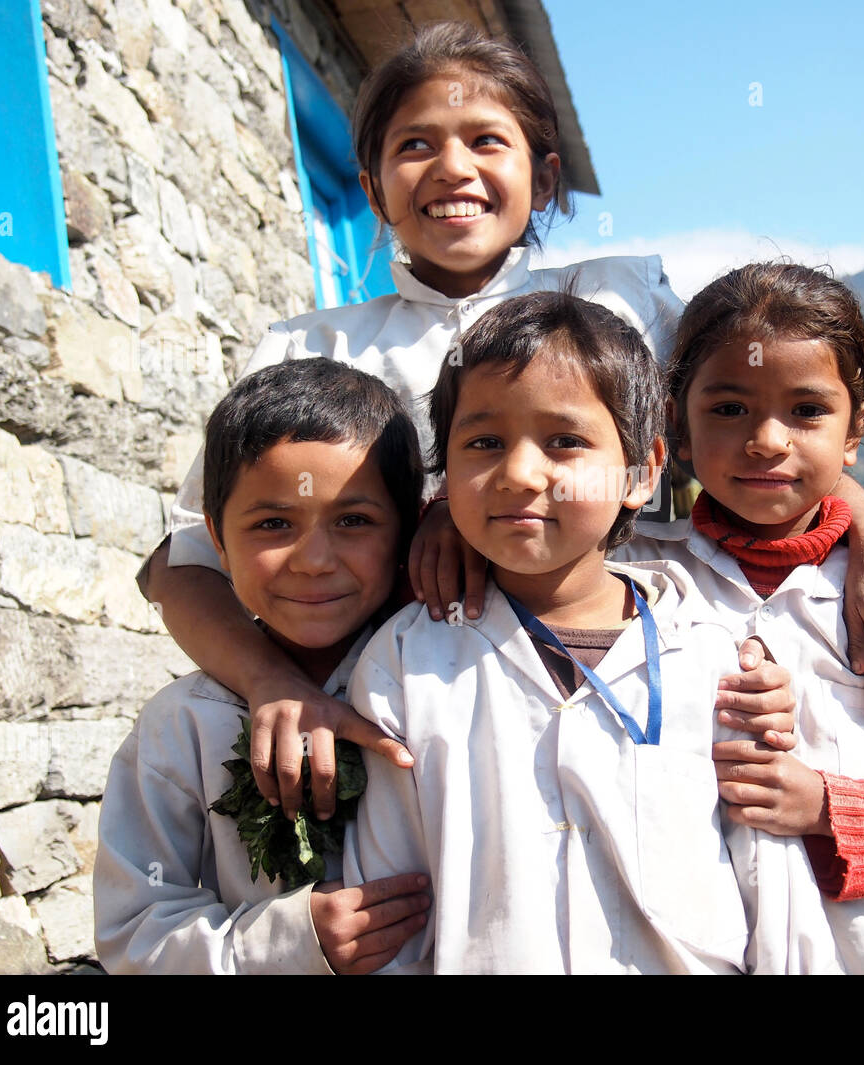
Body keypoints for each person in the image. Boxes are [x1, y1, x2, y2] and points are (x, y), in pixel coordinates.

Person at [140, 20, 864, 826]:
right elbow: (184, 562)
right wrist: (274, 685)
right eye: (415, 144)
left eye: (485, 140)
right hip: (422, 713)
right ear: (370, 185)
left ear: (543, 177)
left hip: (648, 692)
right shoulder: (313, 346)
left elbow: (756, 434)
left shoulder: (621, 302)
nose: (451, 167)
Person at [342, 290, 822, 972]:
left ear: (642, 471)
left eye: (563, 440)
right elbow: (390, 906)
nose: (517, 473)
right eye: (483, 442)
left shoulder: (714, 657)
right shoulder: (404, 664)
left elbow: (770, 888)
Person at [613, 263, 864, 972]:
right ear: (676, 424)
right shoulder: (629, 573)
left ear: (857, 429)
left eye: (807, 410)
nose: (768, 440)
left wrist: (824, 805)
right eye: (729, 408)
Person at [94, 360, 431, 974]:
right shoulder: (183, 726)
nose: (314, 560)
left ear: (408, 530)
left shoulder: (446, 688)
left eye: (353, 521)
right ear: (216, 542)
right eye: (273, 524)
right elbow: (132, 934)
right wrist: (283, 945)